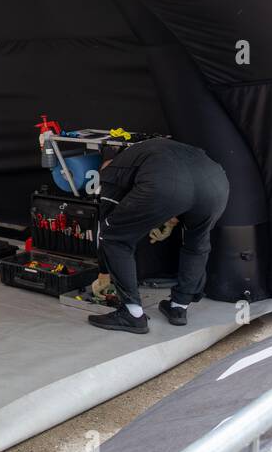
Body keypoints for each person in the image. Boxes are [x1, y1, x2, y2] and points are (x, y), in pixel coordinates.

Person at [88, 137, 230, 334]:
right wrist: (170, 217)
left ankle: (132, 314)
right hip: (216, 182)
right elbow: (187, 186)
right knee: (197, 242)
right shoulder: (152, 149)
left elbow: (106, 226)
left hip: (166, 182)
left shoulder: (111, 171)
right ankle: (179, 307)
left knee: (115, 237)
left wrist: (103, 273)